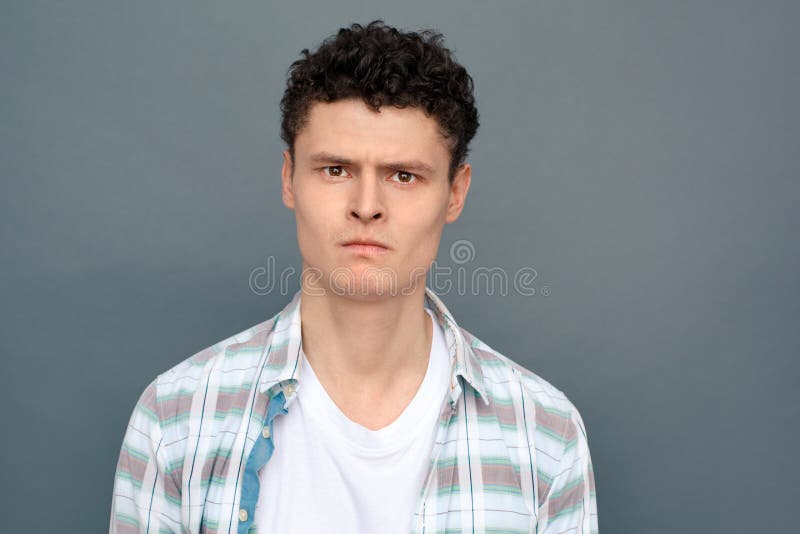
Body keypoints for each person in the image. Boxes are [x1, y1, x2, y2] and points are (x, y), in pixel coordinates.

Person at [110, 20, 598, 534]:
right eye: (336, 170)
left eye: (403, 176)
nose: (367, 207)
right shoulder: (174, 421)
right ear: (288, 179)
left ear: (456, 192)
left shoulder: (545, 434)